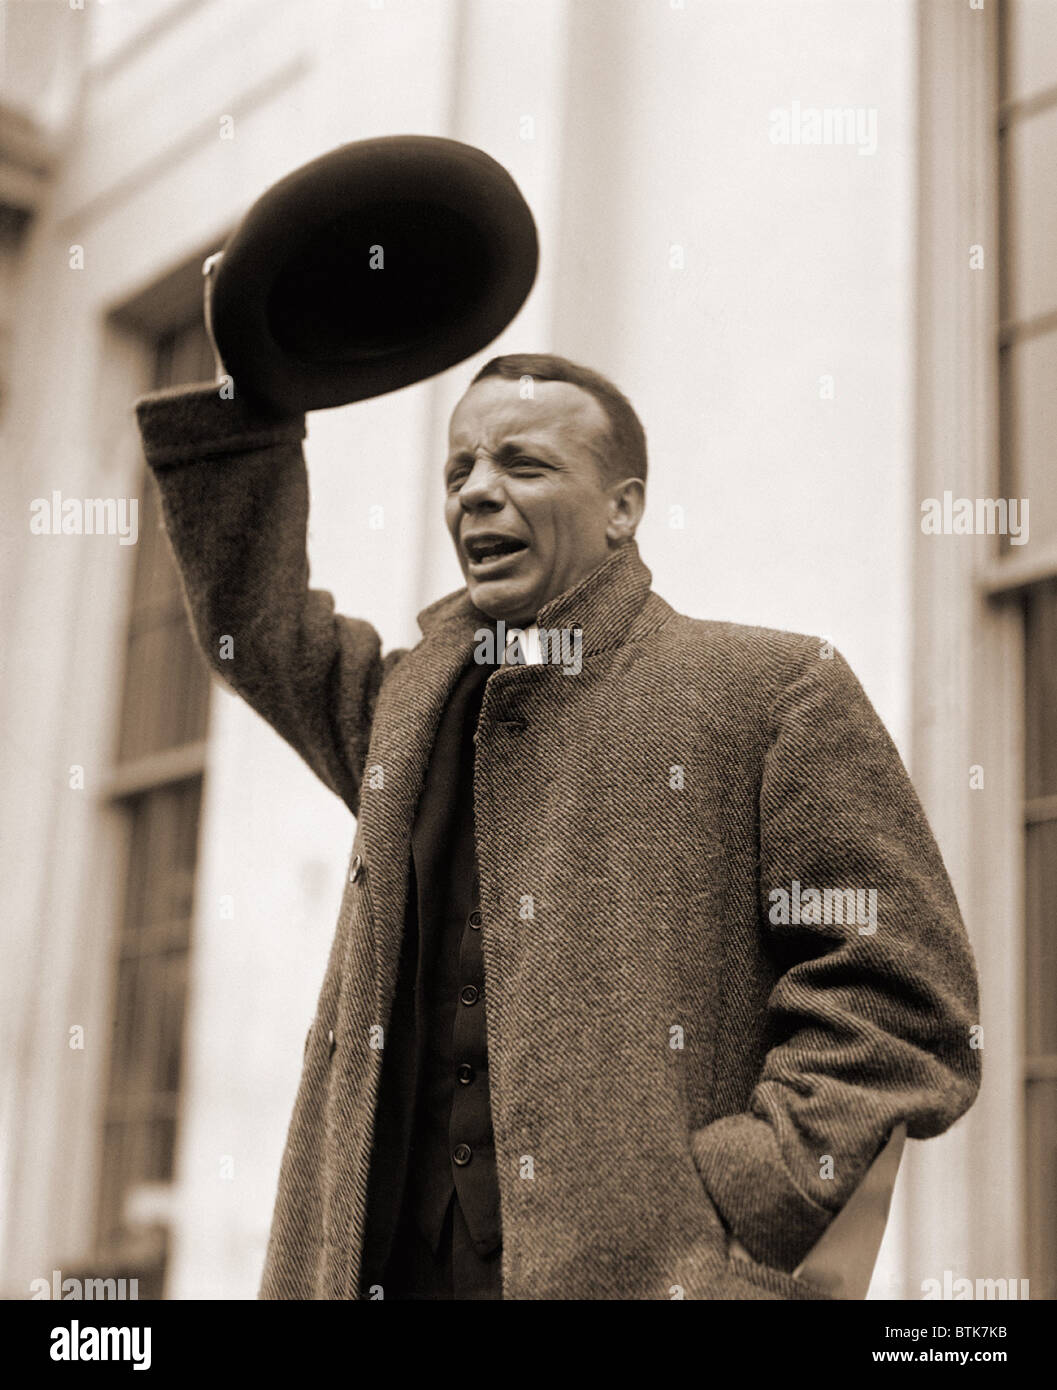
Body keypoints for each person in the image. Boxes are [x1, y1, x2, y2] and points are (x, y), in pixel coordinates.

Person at [131, 267, 981, 1301]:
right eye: (459, 470)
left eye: (521, 463)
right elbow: (259, 632)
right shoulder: (406, 704)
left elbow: (902, 1001)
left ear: (624, 508)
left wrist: (744, 1204)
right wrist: (244, 395)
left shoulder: (770, 689)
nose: (475, 491)